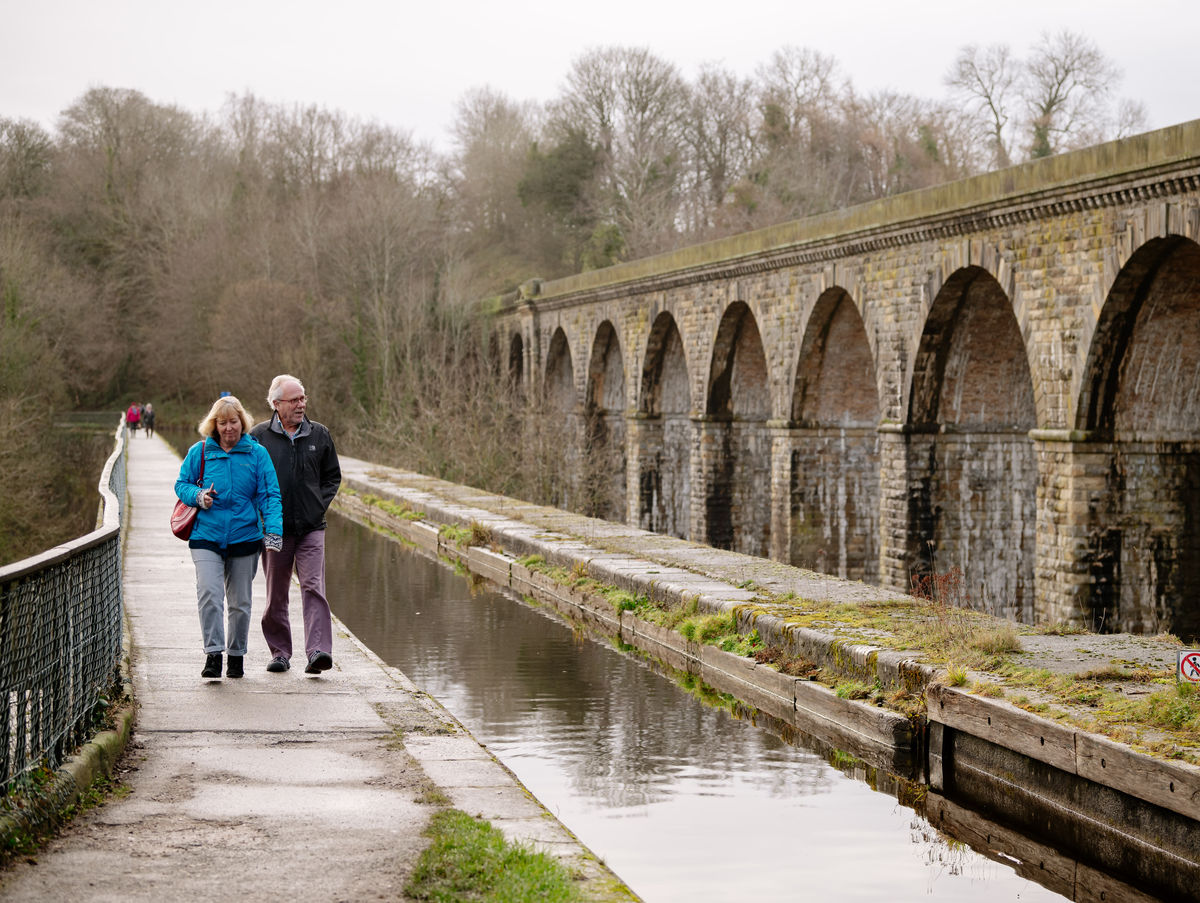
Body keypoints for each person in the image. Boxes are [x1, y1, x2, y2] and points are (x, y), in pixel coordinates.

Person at [176, 395, 282, 679]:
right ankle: (213, 654)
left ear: (242, 422)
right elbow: (182, 484)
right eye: (222, 423)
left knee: (240, 603)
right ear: (214, 424)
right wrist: (199, 496)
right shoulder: (199, 452)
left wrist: (273, 531)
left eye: (233, 421)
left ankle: (236, 656)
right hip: (206, 536)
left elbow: (270, 495)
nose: (228, 428)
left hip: (244, 537)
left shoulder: (257, 454)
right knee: (209, 594)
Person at [251, 375, 341, 675]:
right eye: (294, 400)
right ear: (276, 404)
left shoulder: (319, 434)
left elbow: (332, 477)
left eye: (303, 398)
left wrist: (317, 506)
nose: (301, 404)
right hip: (274, 529)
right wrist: (263, 515)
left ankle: (318, 652)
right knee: (276, 592)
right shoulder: (259, 437)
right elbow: (249, 479)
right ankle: (280, 652)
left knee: (313, 587)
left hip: (311, 527)